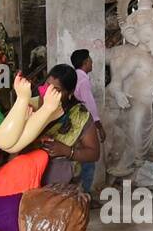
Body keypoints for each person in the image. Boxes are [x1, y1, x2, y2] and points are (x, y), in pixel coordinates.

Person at [35, 64, 101, 187]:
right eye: (47, 86)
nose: (49, 93)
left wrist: (66, 151)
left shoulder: (79, 116)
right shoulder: (33, 105)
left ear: (70, 92)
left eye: (57, 90)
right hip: (30, 176)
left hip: (61, 184)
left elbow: (94, 154)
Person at [70, 49, 105, 195]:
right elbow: (90, 105)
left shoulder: (73, 76)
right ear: (85, 63)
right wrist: (99, 127)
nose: (92, 62)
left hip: (73, 123)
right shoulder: (83, 80)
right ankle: (85, 195)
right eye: (90, 60)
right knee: (88, 158)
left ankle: (77, 193)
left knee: (77, 159)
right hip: (83, 124)